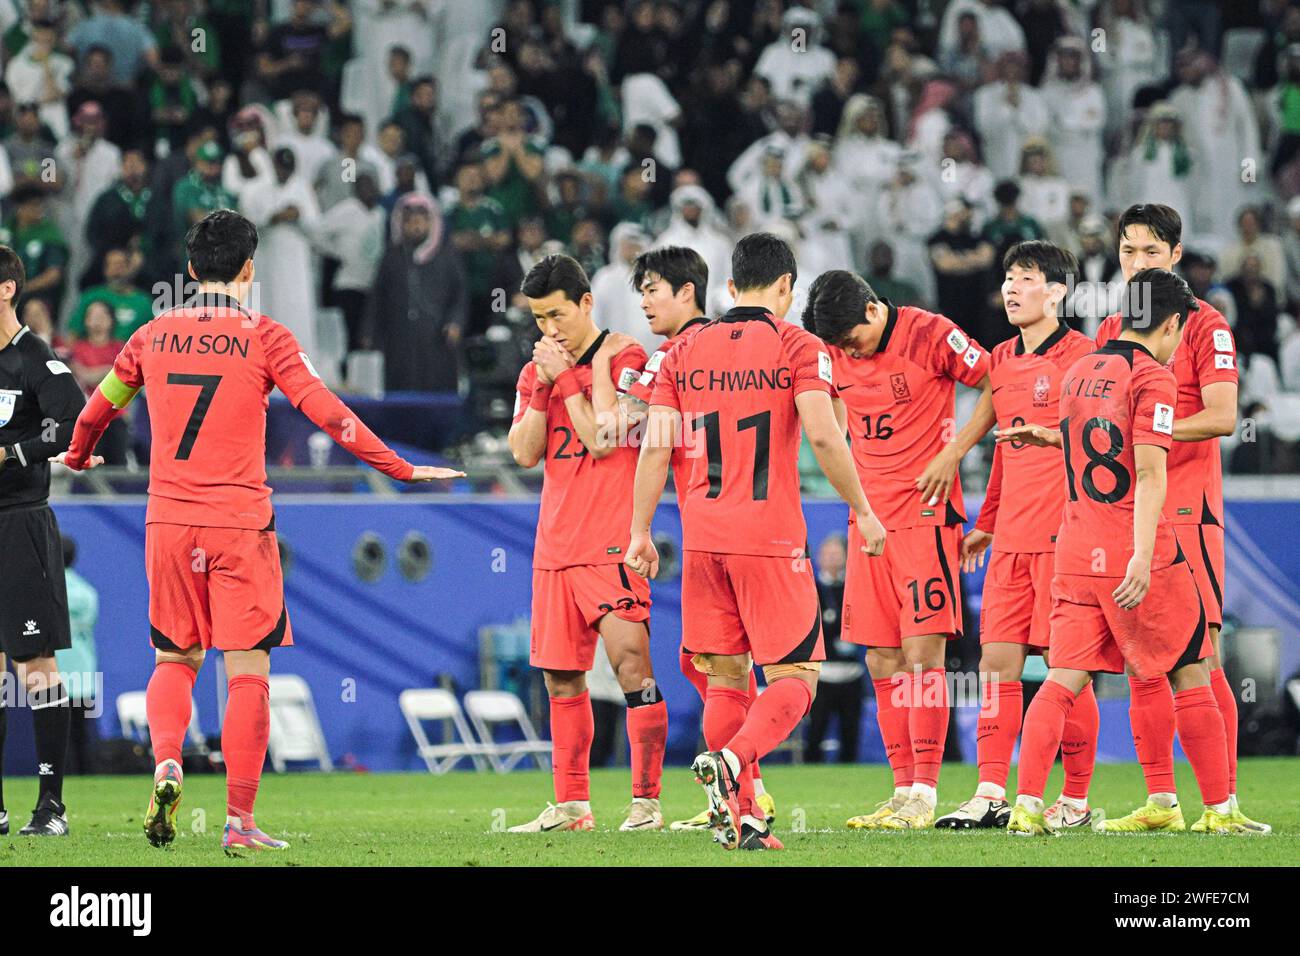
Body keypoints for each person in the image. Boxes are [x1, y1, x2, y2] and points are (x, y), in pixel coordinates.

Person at [56, 209, 461, 852]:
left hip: (167, 521)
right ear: (250, 269)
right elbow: (329, 413)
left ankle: (166, 762)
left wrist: (77, 459)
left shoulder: (150, 335)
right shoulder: (264, 337)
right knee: (247, 671)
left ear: (191, 271)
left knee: (174, 659)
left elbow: (95, 410)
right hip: (240, 523)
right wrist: (400, 467)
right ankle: (240, 822)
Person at [625, 233, 887, 852]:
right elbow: (824, 438)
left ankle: (746, 819)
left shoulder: (684, 349)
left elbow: (656, 445)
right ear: (786, 288)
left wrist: (639, 531)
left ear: (731, 286)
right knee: (797, 676)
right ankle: (736, 761)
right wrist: (864, 511)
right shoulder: (798, 344)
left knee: (725, 678)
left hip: (702, 540)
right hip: (768, 539)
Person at [999, 268, 1242, 836]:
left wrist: (1047, 436)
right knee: (1190, 673)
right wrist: (1139, 555)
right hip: (1138, 551)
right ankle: (1219, 813)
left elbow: (1101, 443)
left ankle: (1027, 807)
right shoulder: (1154, 377)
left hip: (1076, 549)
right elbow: (1150, 471)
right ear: (1175, 323)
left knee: (1059, 681)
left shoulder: (1079, 368)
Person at [1090, 204, 1269, 834]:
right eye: (1127, 251)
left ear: (1174, 254)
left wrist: (1149, 432)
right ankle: (1161, 803)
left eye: (1148, 252)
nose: (1136, 262)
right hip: (1127, 513)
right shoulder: (1113, 324)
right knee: (1143, 660)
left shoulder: (1205, 322)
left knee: (1203, 656)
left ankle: (1224, 803)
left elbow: (1223, 416)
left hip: (1187, 508)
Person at [802, 268, 994, 830]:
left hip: (926, 515)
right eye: (836, 348)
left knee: (922, 656)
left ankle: (927, 793)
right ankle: (902, 789)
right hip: (869, 523)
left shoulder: (931, 333)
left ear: (870, 310)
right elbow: (836, 412)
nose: (847, 354)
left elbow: (996, 383)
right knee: (880, 658)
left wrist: (954, 451)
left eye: (850, 341)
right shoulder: (836, 351)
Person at [935, 240, 1098, 830]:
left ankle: (1074, 800)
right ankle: (989, 793)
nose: (1011, 287)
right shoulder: (1000, 358)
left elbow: (1104, 443)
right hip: (1011, 544)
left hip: (1066, 540)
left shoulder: (1086, 356)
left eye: (1025, 277)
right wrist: (986, 524)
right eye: (1008, 277)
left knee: (1065, 671)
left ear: (1057, 291)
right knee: (996, 668)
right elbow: (1004, 455)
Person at [506, 253, 667, 833]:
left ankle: (646, 804)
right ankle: (573, 805)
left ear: (585, 303)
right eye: (538, 319)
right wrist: (545, 386)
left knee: (632, 668)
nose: (548, 329)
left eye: (557, 315)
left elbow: (606, 438)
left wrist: (566, 377)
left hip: (609, 543)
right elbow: (524, 452)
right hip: (555, 547)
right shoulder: (538, 371)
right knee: (560, 679)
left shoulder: (626, 357)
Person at [617, 245, 775, 832]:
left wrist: (583, 378)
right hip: (745, 525)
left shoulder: (680, 352)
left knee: (721, 667)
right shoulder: (739, 345)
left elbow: (625, 425)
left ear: (688, 291)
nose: (644, 301)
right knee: (712, 665)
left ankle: (747, 788)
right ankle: (745, 787)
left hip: (717, 530)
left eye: (653, 288)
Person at [0, 243, 85, 837]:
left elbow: (72, 420)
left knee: (36, 665)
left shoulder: (32, 356)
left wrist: (12, 451)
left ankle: (50, 806)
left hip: (21, 522)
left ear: (7, 288)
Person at [365, 193, 468, 392]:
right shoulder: (392, 256)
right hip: (399, 340)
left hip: (437, 338)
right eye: (409, 221)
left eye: (421, 220)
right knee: (401, 393)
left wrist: (455, 322)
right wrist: (369, 332)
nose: (415, 226)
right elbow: (378, 297)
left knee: (438, 393)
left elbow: (460, 294)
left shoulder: (446, 255)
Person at [804, 533, 864, 764]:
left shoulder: (853, 587)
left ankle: (849, 775)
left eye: (836, 554)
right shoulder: (812, 588)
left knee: (851, 731)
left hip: (851, 673)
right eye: (827, 554)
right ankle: (810, 772)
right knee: (816, 729)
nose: (831, 559)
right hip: (823, 673)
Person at [57, 535, 100, 775]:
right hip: (81, 673)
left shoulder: (45, 591)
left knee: (56, 734)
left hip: (51, 673)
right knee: (81, 733)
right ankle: (85, 775)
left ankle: (60, 777)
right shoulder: (86, 592)